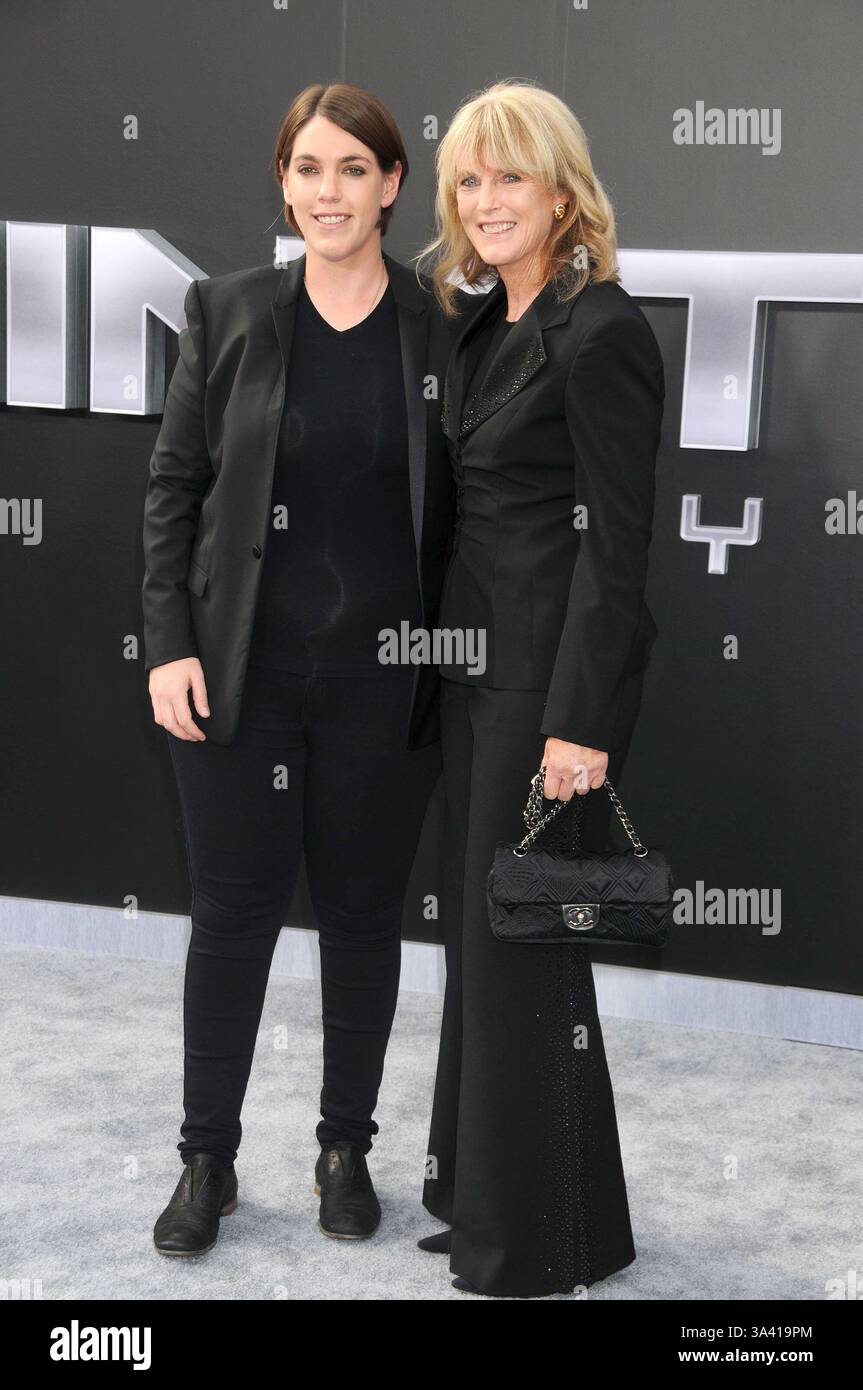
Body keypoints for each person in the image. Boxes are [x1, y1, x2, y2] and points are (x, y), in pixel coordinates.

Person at [141, 83, 454, 1256]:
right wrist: (170, 641)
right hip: (238, 680)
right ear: (283, 181)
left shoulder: (442, 331)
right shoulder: (223, 311)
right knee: (232, 913)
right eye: (307, 168)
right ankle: (205, 1161)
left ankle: (344, 1148)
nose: (329, 191)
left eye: (352, 169)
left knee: (366, 919)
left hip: (387, 687)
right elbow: (173, 491)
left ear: (389, 186)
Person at [415, 79, 665, 1297]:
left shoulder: (602, 329)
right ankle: (484, 1198)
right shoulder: (480, 324)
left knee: (520, 946)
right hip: (467, 680)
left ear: (562, 190)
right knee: (486, 938)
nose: (484, 199)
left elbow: (617, 551)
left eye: (509, 176)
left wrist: (581, 724)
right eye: (467, 178)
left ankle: (527, 1244)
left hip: (537, 693)